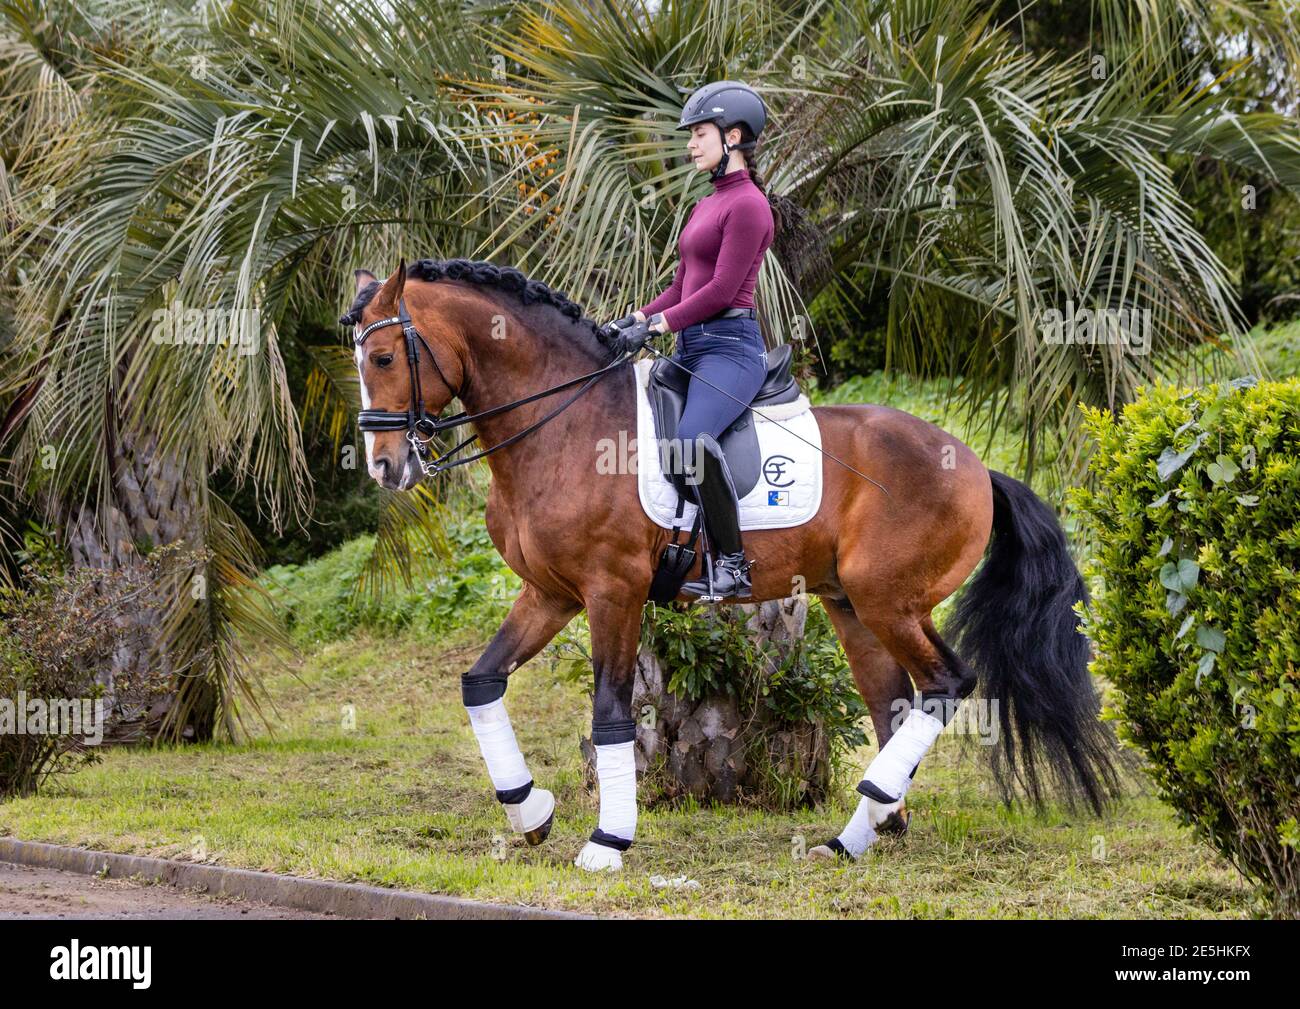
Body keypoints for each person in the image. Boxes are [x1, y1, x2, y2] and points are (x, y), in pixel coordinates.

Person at [604, 80, 774, 600]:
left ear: (734, 136)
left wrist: (658, 326)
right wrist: (633, 318)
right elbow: (683, 286)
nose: (690, 145)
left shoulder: (748, 206)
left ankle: (732, 564)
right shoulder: (707, 205)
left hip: (730, 350)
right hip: (691, 349)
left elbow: (722, 290)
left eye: (699, 134)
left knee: (690, 442)